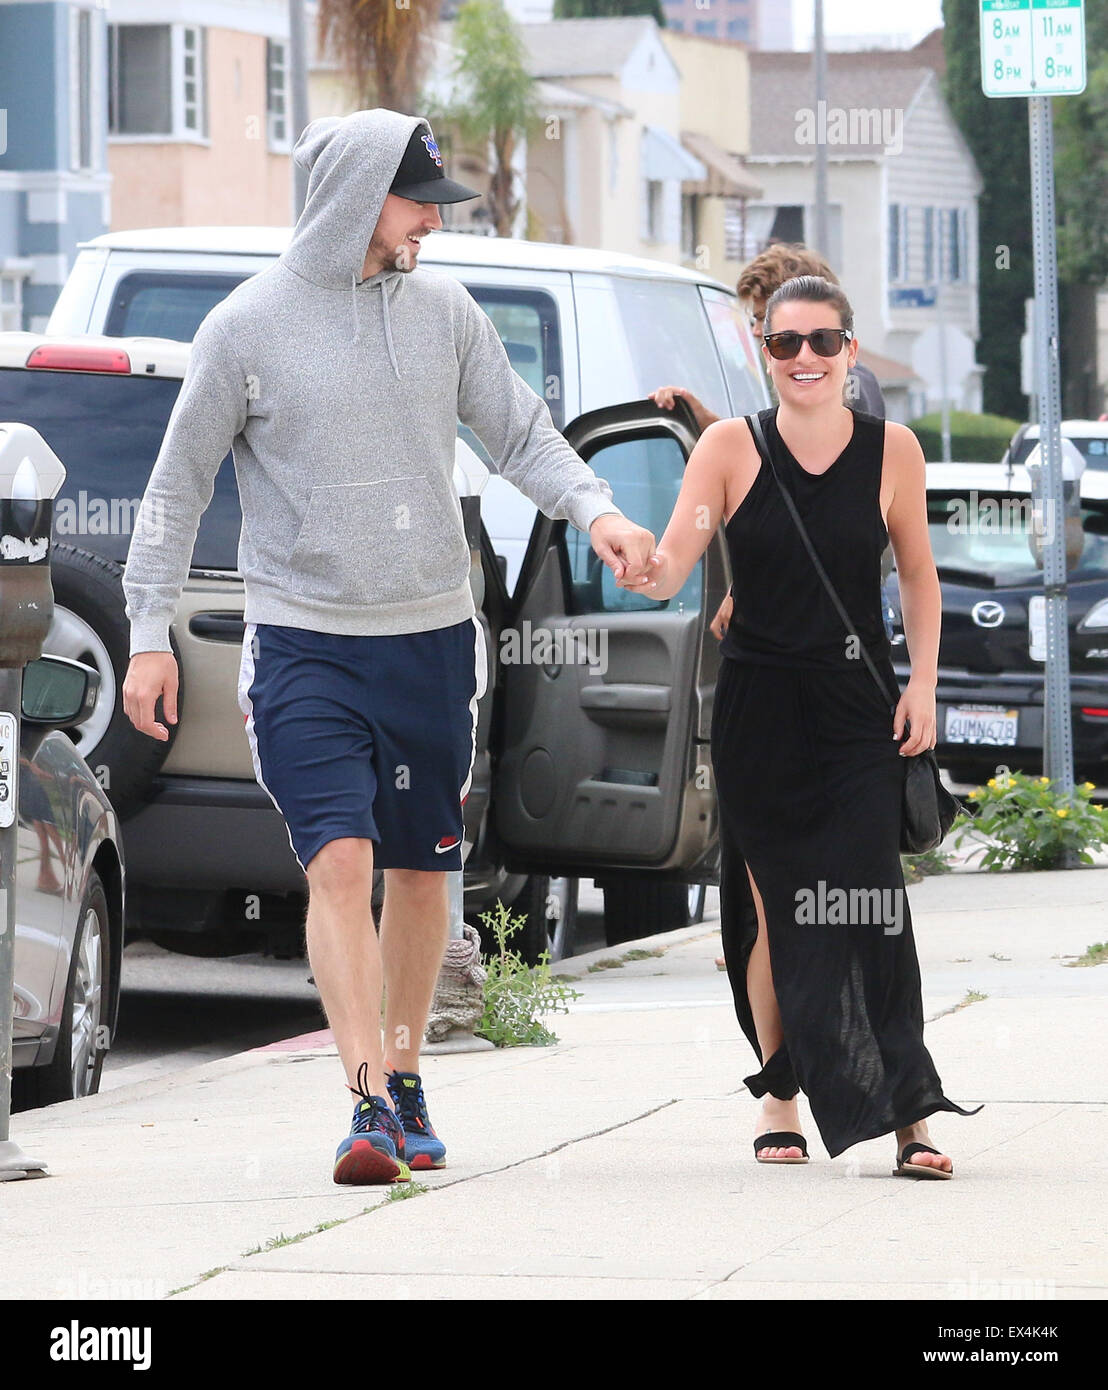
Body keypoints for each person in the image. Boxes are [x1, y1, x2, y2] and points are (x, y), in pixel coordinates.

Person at [121, 109, 655, 1186]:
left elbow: (518, 432)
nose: (433, 224)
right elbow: (175, 490)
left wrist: (597, 510)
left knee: (420, 875)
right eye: (420, 204)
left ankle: (406, 1074)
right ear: (362, 200)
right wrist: (146, 633)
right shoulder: (244, 329)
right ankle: (365, 1098)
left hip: (427, 641)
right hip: (305, 643)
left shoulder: (445, 313)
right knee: (339, 862)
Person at [624, 274, 980, 1176]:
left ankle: (911, 1114)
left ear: (851, 351)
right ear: (763, 352)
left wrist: (924, 685)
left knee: (874, 909)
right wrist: (629, 551)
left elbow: (920, 576)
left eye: (824, 341)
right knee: (776, 914)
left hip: (859, 710)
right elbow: (671, 567)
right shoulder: (727, 449)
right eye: (787, 344)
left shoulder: (892, 450)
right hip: (759, 715)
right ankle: (781, 1094)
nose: (806, 359)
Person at [649, 243, 888, 642]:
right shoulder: (831, 383)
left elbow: (812, 503)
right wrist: (711, 424)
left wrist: (741, 591)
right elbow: (781, 459)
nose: (757, 330)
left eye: (763, 318)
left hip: (830, 614)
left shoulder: (848, 387)